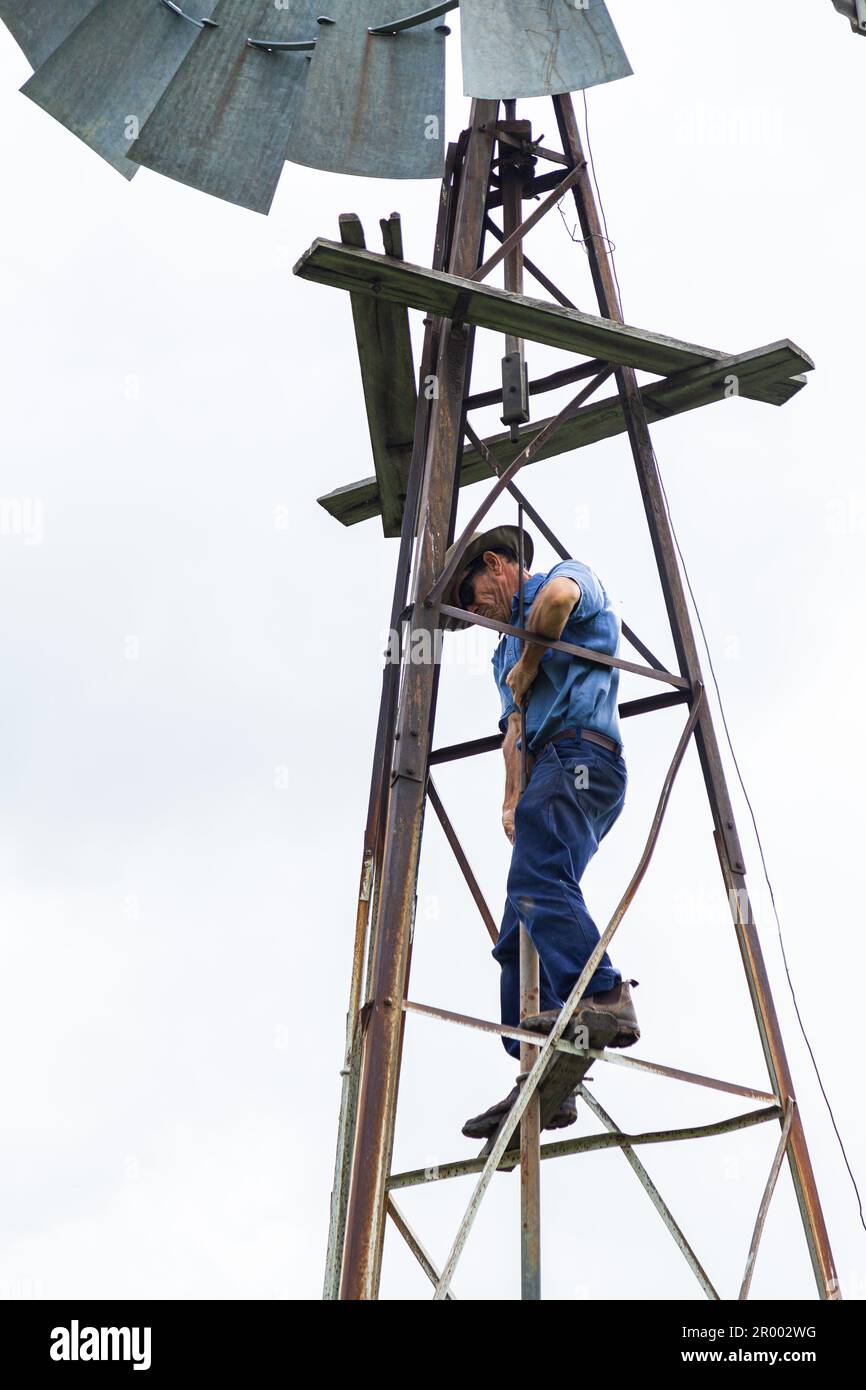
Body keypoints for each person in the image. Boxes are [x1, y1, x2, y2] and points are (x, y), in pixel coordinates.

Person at [441, 525, 640, 1141]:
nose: (474, 614)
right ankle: (539, 1075)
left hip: (582, 755)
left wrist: (531, 662)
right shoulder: (502, 653)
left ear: (497, 565)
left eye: (472, 597)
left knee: (538, 881)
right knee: (517, 931)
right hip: (547, 769)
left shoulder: (569, 577)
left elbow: (555, 605)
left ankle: (604, 995)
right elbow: (513, 728)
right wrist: (509, 799)